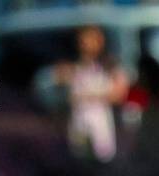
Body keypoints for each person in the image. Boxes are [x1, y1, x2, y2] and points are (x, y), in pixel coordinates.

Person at [53, 25, 129, 163]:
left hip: (103, 125)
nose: (87, 44)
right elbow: (57, 89)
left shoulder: (110, 66)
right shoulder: (71, 66)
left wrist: (89, 96)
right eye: (84, 40)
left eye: (93, 39)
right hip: (77, 124)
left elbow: (120, 94)